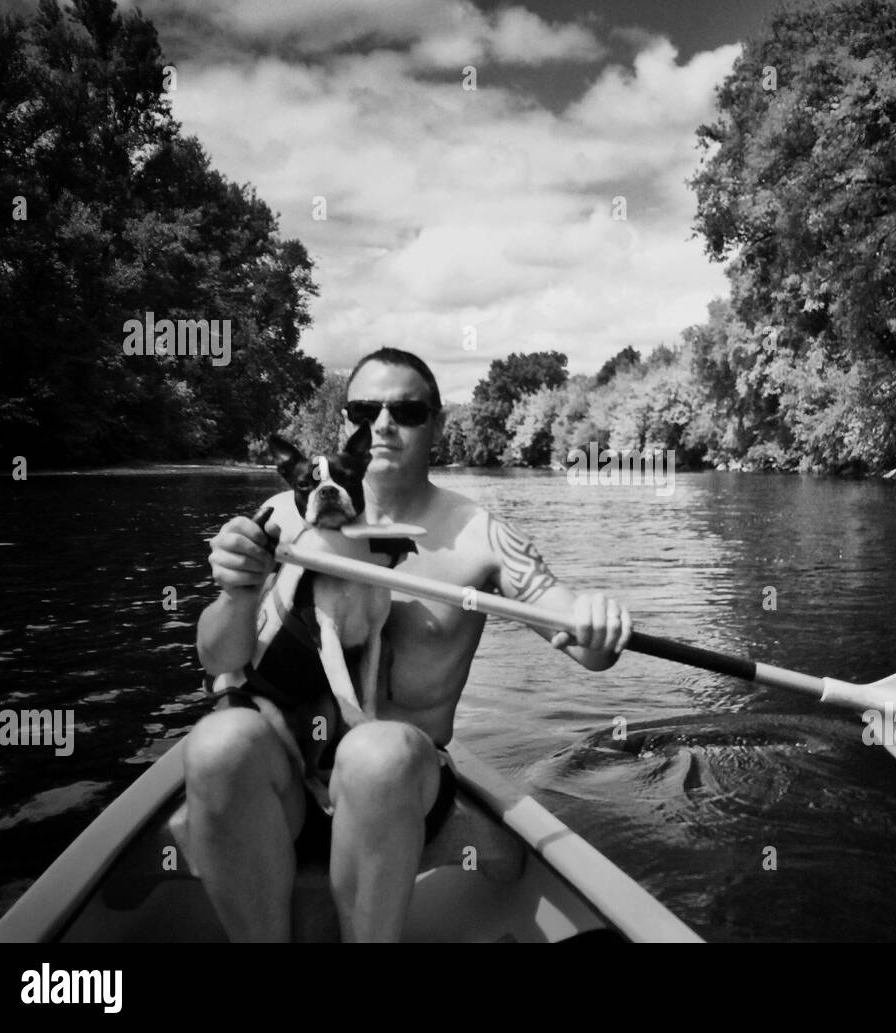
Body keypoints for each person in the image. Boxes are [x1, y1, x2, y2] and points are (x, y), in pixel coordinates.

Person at [188, 347, 632, 942]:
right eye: (365, 408)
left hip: (404, 797)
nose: (383, 423)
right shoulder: (280, 518)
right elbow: (218, 659)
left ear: (438, 424)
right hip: (284, 781)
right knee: (218, 742)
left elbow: (583, 643)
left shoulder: (480, 536)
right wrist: (237, 594)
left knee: (378, 753)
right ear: (348, 424)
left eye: (408, 410)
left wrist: (597, 619)